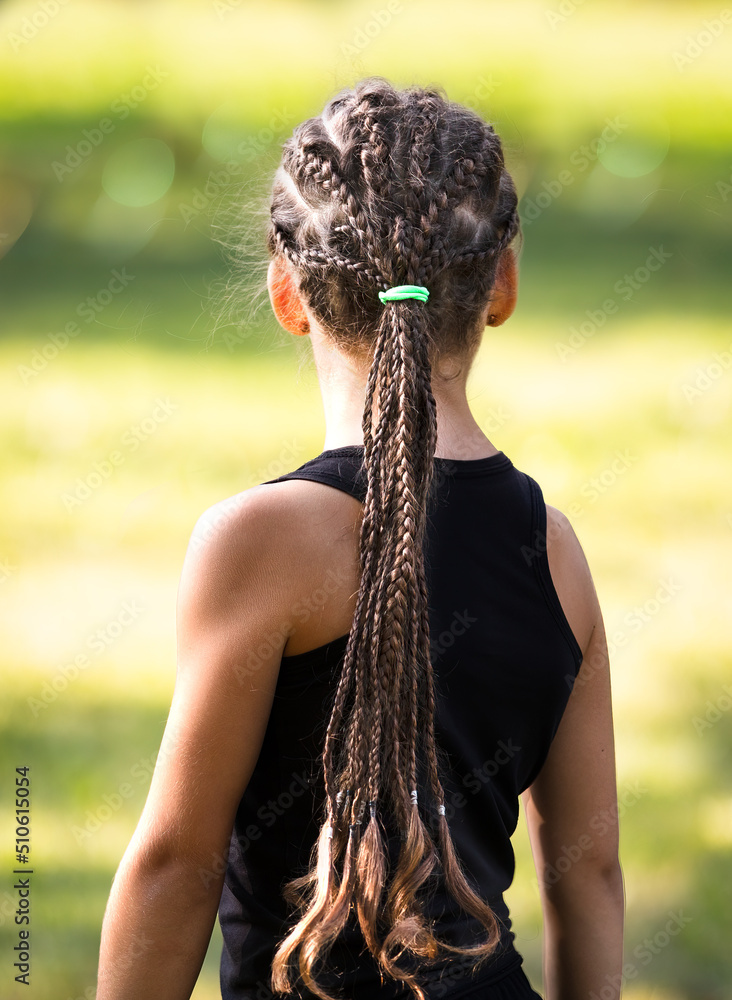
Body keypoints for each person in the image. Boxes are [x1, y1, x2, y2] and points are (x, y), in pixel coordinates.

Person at [97, 77, 624, 1000]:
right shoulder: (554, 551)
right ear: (501, 282)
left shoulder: (259, 541)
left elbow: (176, 863)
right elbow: (588, 873)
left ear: (286, 289)